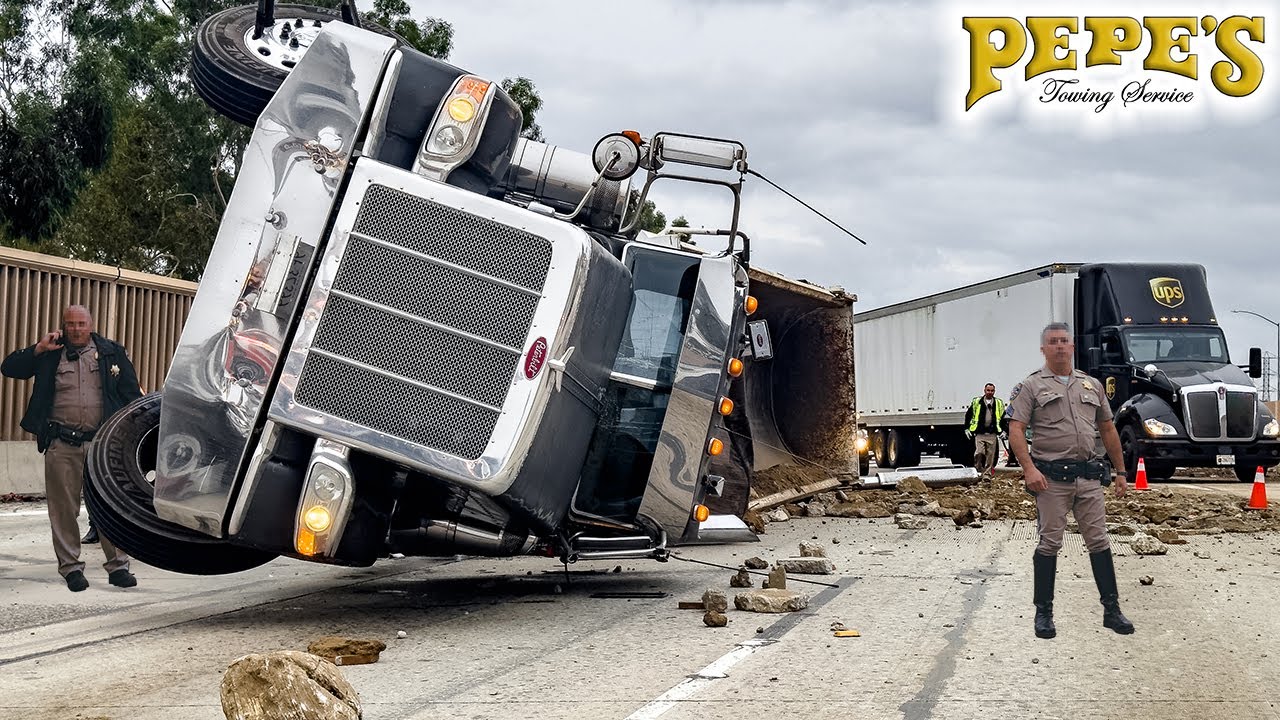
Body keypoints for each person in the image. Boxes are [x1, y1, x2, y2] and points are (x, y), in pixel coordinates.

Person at [1, 305, 143, 592]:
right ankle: (71, 568)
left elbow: (130, 393)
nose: (76, 329)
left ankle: (118, 567)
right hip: (61, 443)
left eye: (81, 323)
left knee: (109, 506)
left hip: (102, 445)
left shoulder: (111, 352)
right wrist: (37, 349)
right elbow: (10, 368)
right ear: (63, 326)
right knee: (63, 510)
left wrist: (131, 435)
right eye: (70, 324)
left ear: (90, 324)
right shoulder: (51, 353)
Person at [1007, 322, 1133, 639]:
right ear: (1043, 348)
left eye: (1065, 341)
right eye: (1053, 342)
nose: (1060, 346)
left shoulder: (1091, 386)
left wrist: (1120, 471)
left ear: (1073, 347)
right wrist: (1029, 470)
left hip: (1089, 477)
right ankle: (1044, 613)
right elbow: (1016, 429)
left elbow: (1107, 429)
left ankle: (1112, 610)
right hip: (1050, 480)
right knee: (1049, 543)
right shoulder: (1031, 386)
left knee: (1100, 542)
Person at [963, 382, 1008, 476]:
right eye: (988, 390)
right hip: (980, 434)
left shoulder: (998, 403)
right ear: (984, 390)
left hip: (992, 434)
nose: (990, 392)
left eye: (992, 391)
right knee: (979, 453)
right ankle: (979, 470)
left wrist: (1004, 431)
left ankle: (987, 474)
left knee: (990, 456)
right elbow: (969, 415)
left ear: (994, 391)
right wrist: (967, 428)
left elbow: (1003, 418)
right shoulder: (977, 402)